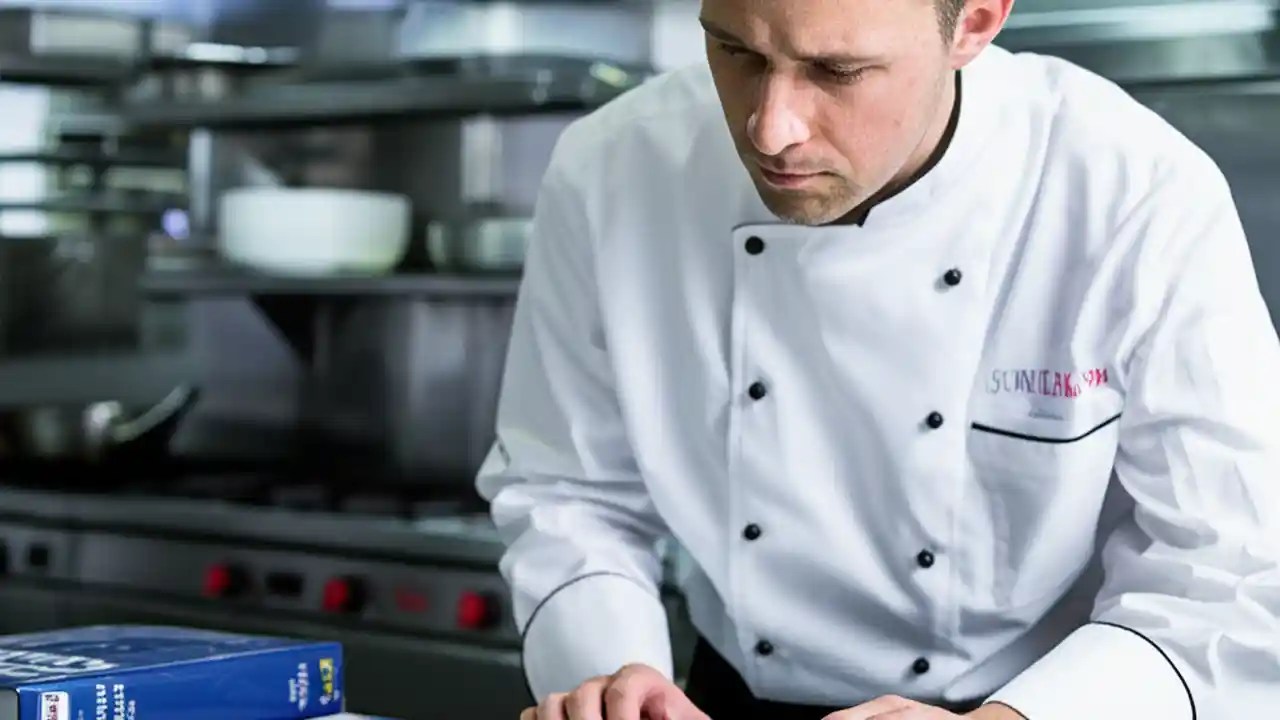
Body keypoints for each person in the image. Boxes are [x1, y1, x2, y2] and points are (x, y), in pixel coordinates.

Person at [475, 0, 1280, 717]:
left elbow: (1230, 571)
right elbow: (565, 488)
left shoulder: (1131, 191)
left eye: (838, 70)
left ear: (974, 23)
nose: (770, 127)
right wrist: (619, 681)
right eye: (736, 53)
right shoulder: (612, 168)